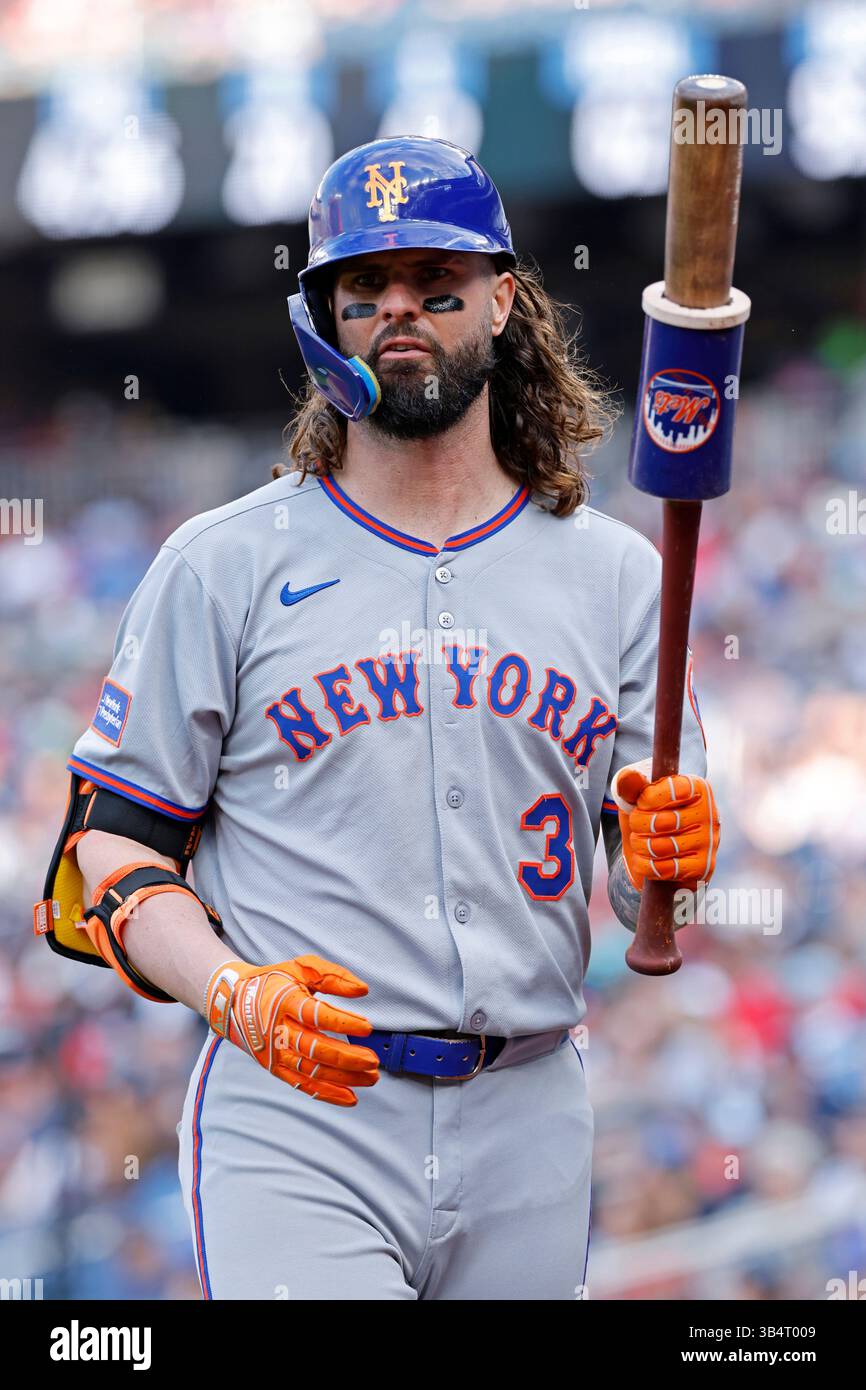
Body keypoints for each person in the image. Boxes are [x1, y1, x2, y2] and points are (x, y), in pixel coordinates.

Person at [38, 135, 719, 1300]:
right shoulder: (222, 564)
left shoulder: (613, 575)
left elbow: (648, 890)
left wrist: (675, 861)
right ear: (325, 318)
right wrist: (231, 991)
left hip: (530, 1108)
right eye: (365, 285)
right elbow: (109, 846)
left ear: (500, 301)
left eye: (433, 280)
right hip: (302, 1108)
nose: (398, 306)